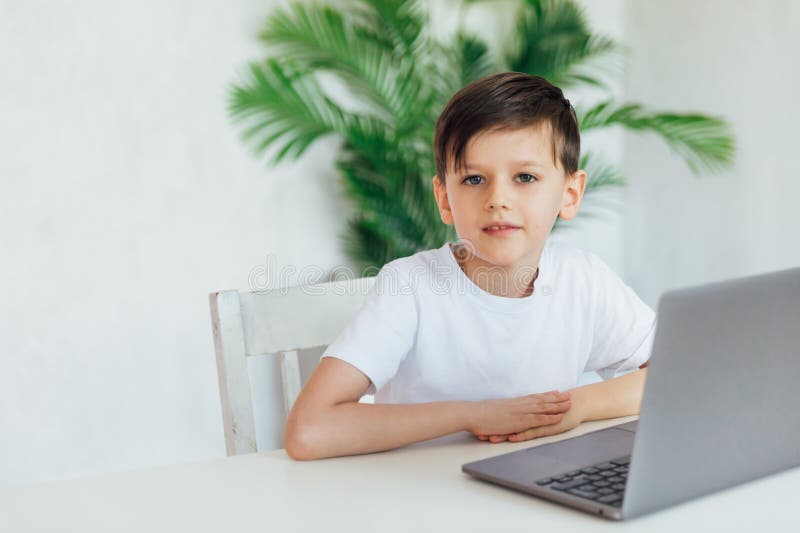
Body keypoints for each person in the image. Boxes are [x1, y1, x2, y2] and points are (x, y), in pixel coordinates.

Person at [284, 72, 654, 461]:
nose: (498, 199)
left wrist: (575, 407)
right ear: (444, 199)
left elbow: (677, 376)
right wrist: (473, 416)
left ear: (570, 193)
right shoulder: (410, 287)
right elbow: (309, 430)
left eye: (525, 177)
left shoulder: (584, 279)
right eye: (474, 178)